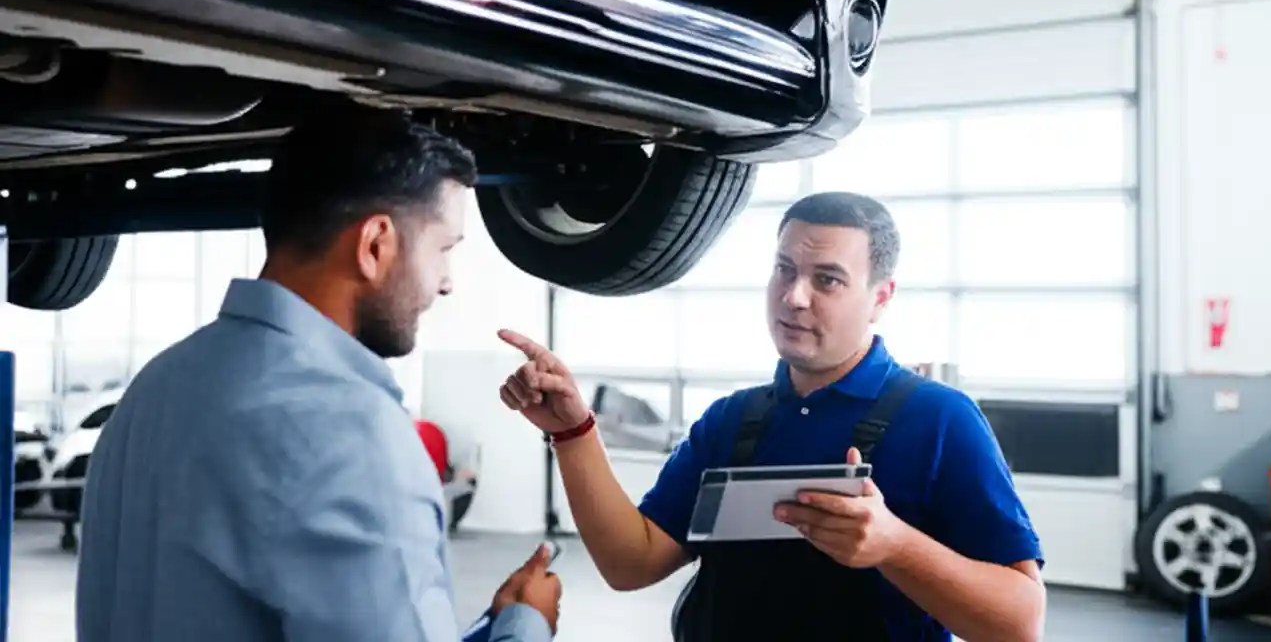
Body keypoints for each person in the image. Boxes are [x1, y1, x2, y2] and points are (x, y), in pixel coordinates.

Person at [77, 108, 561, 642]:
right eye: (443, 250)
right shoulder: (352, 434)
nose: (446, 283)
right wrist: (525, 625)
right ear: (375, 244)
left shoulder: (156, 388)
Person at [496, 191, 1047, 642]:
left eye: (827, 279)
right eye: (784, 269)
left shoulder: (941, 419)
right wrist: (572, 432)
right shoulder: (733, 421)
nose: (793, 297)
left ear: (881, 297)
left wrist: (895, 546)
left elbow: (1020, 623)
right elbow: (631, 562)